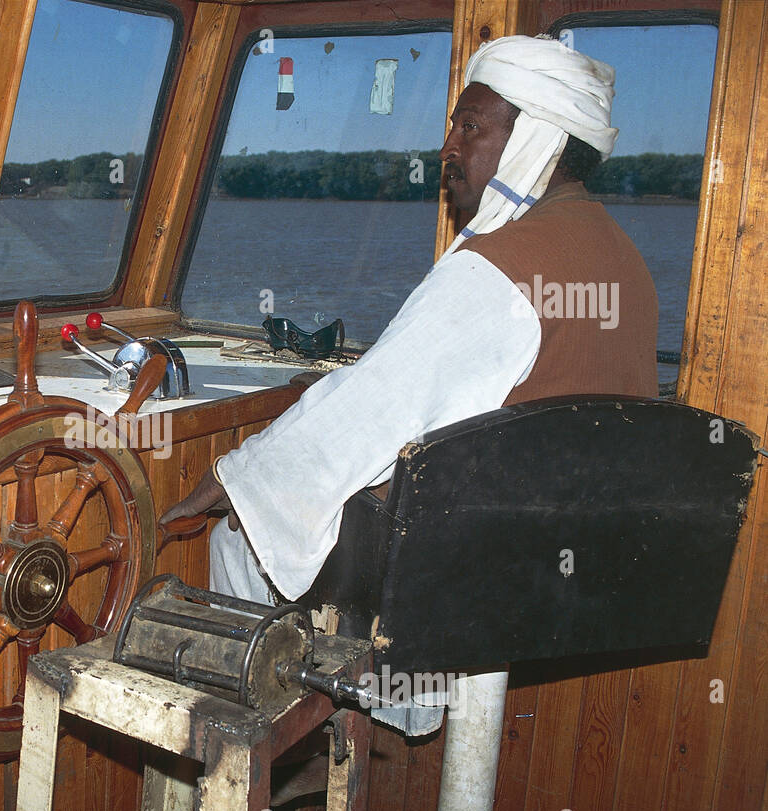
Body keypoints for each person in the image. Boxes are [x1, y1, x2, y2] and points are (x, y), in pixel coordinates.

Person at [162, 34, 657, 615]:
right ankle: (398, 703)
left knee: (247, 533)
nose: (447, 146)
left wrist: (235, 478)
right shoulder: (628, 264)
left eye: (471, 127)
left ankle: (298, 704)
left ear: (534, 139)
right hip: (573, 563)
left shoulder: (500, 268)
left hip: (472, 568)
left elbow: (370, 414)